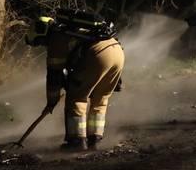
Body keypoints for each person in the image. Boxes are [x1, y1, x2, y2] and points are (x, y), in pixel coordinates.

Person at [26, 10, 125, 151]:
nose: (42, 45)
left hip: (98, 55)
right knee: (101, 98)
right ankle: (95, 139)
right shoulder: (75, 29)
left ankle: (77, 141)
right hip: (117, 51)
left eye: (40, 41)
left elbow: (54, 76)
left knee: (76, 97)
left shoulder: (56, 37)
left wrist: (51, 101)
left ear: (43, 32)